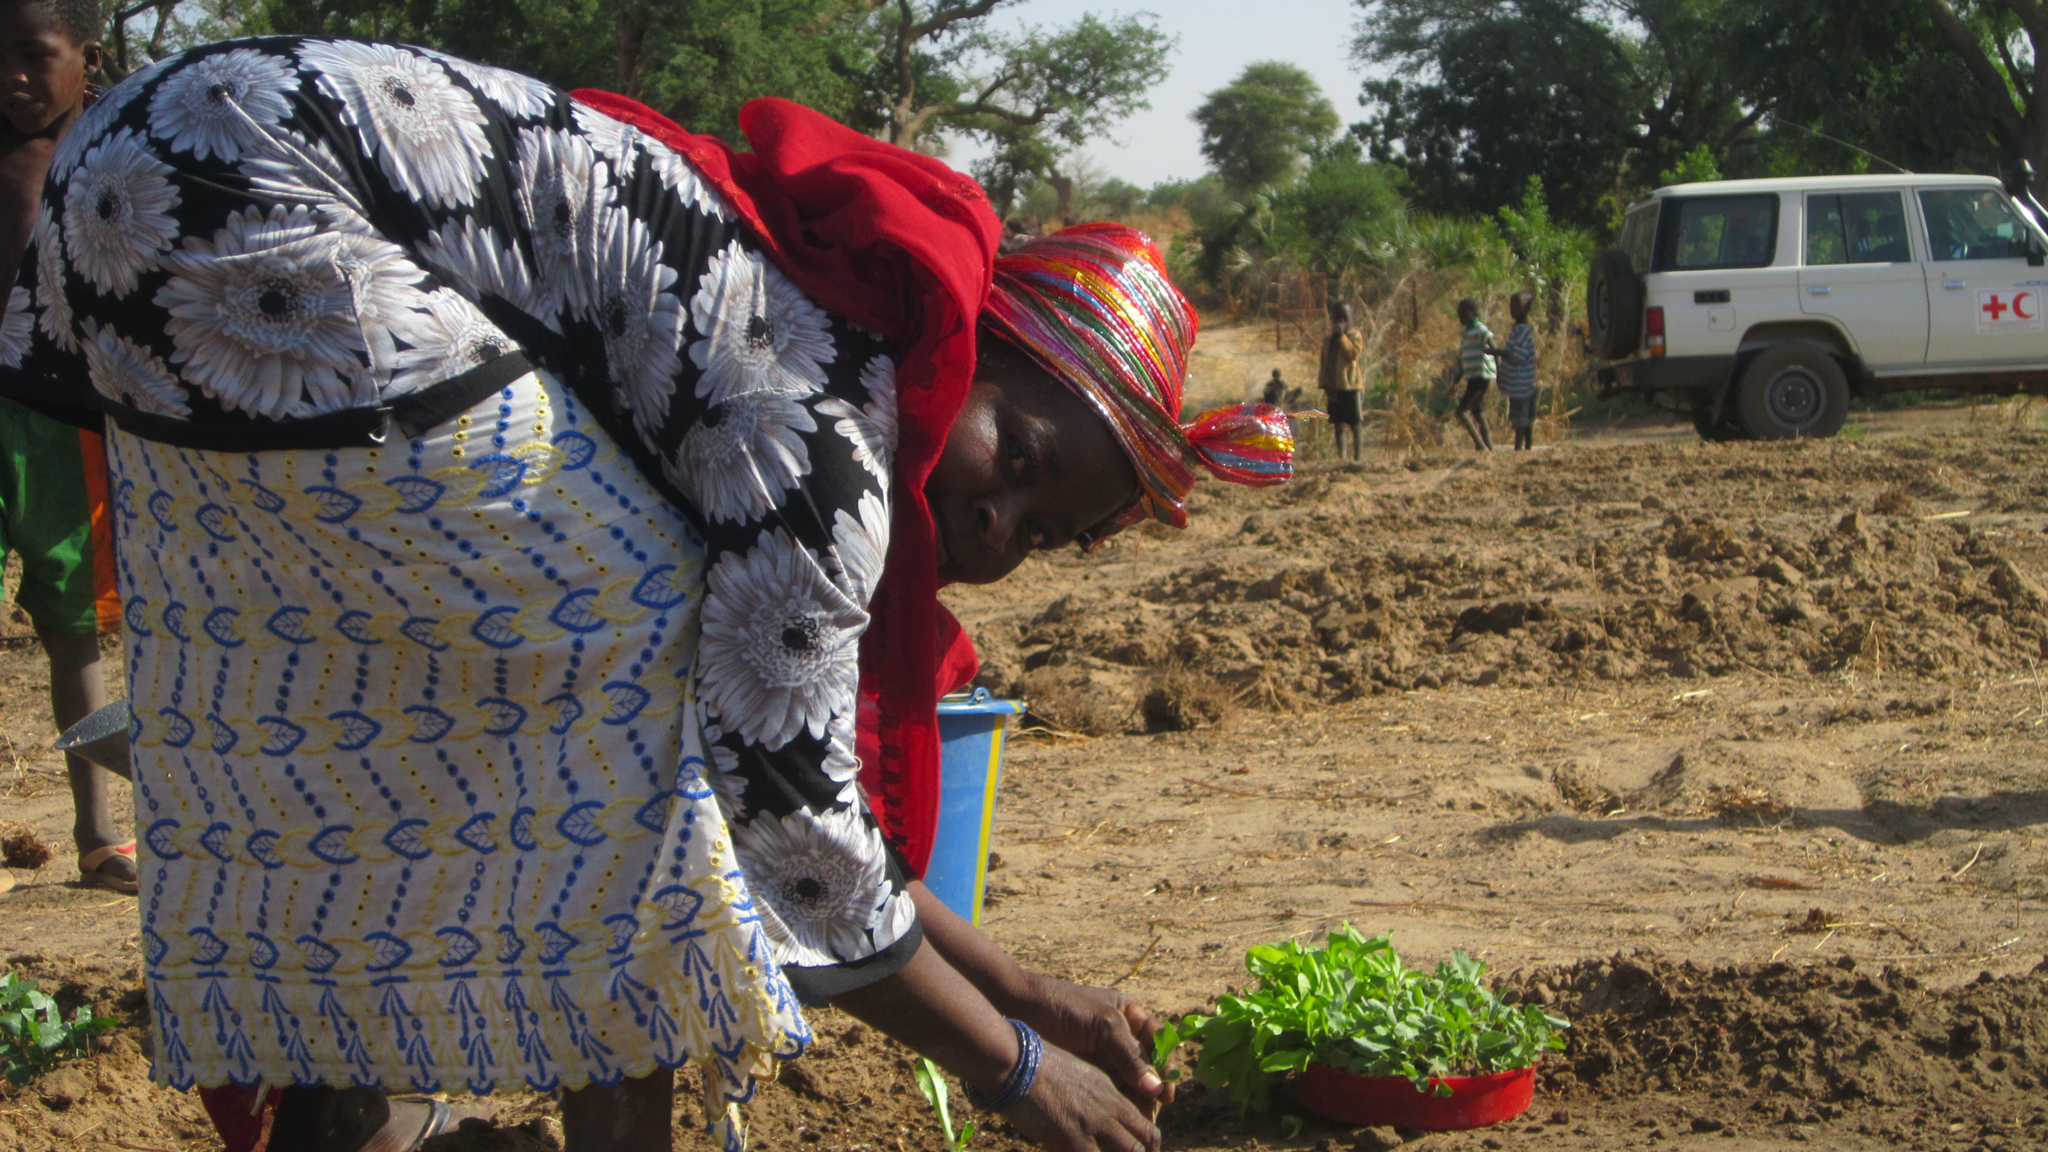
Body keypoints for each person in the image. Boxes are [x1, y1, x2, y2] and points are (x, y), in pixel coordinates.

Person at [0, 37, 1294, 1152]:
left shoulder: (797, 344)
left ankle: (337, 1105)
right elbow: (792, 835)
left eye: (1044, 531)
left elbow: (796, 809)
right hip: (258, 196)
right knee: (649, 693)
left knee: (378, 680)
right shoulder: (823, 438)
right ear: (969, 347)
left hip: (124, 179)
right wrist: (1017, 1070)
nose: (998, 521)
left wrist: (1027, 995)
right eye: (1017, 456)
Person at [0, 0, 134, 898]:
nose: (10, 76)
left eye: (31, 55)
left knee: (73, 621)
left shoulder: (114, 150)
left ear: (86, 59)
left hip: (61, 411)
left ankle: (97, 834)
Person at [1317, 302, 1364, 461]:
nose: (1340, 322)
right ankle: (1341, 459)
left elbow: (1352, 355)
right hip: (1333, 388)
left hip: (1350, 387)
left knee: (1355, 423)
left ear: (1352, 318)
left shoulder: (1354, 336)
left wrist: (1342, 336)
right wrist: (1324, 384)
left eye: (1344, 318)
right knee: (1338, 424)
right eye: (1337, 318)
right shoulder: (1328, 340)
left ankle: (1357, 459)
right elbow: (1324, 363)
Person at [1497, 291, 1538, 451]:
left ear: (1527, 309)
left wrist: (1495, 352)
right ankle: (1527, 447)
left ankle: (1518, 448)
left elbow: (1517, 355)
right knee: (1526, 416)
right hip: (1523, 381)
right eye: (1511, 305)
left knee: (1520, 417)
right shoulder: (1520, 329)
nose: (1512, 309)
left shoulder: (1522, 331)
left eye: (1517, 306)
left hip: (1520, 382)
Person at [1453, 297, 1495, 452]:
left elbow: (1494, 348)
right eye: (1459, 314)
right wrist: (1455, 382)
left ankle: (1481, 446)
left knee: (1461, 411)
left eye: (1464, 313)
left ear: (1472, 313)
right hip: (1472, 376)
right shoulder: (1466, 334)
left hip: (1482, 375)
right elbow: (1464, 361)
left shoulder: (1481, 329)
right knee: (1477, 410)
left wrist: (1500, 371)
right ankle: (1489, 446)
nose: (1461, 317)